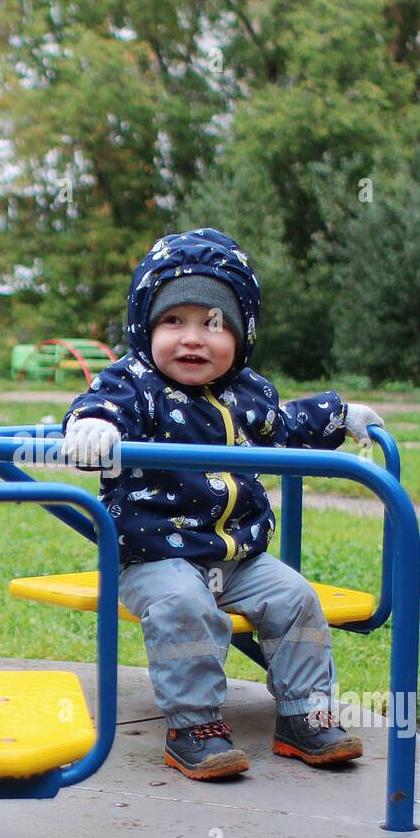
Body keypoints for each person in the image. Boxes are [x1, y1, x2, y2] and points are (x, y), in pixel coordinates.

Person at [60, 227, 384, 782]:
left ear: (241, 333)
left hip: (238, 558)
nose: (192, 339)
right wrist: (91, 429)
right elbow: (97, 409)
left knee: (296, 599)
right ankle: (194, 726)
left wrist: (339, 415)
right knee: (184, 605)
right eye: (172, 321)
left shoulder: (250, 391)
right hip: (151, 557)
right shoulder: (133, 385)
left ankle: (304, 716)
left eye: (212, 324)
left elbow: (288, 428)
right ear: (145, 327)